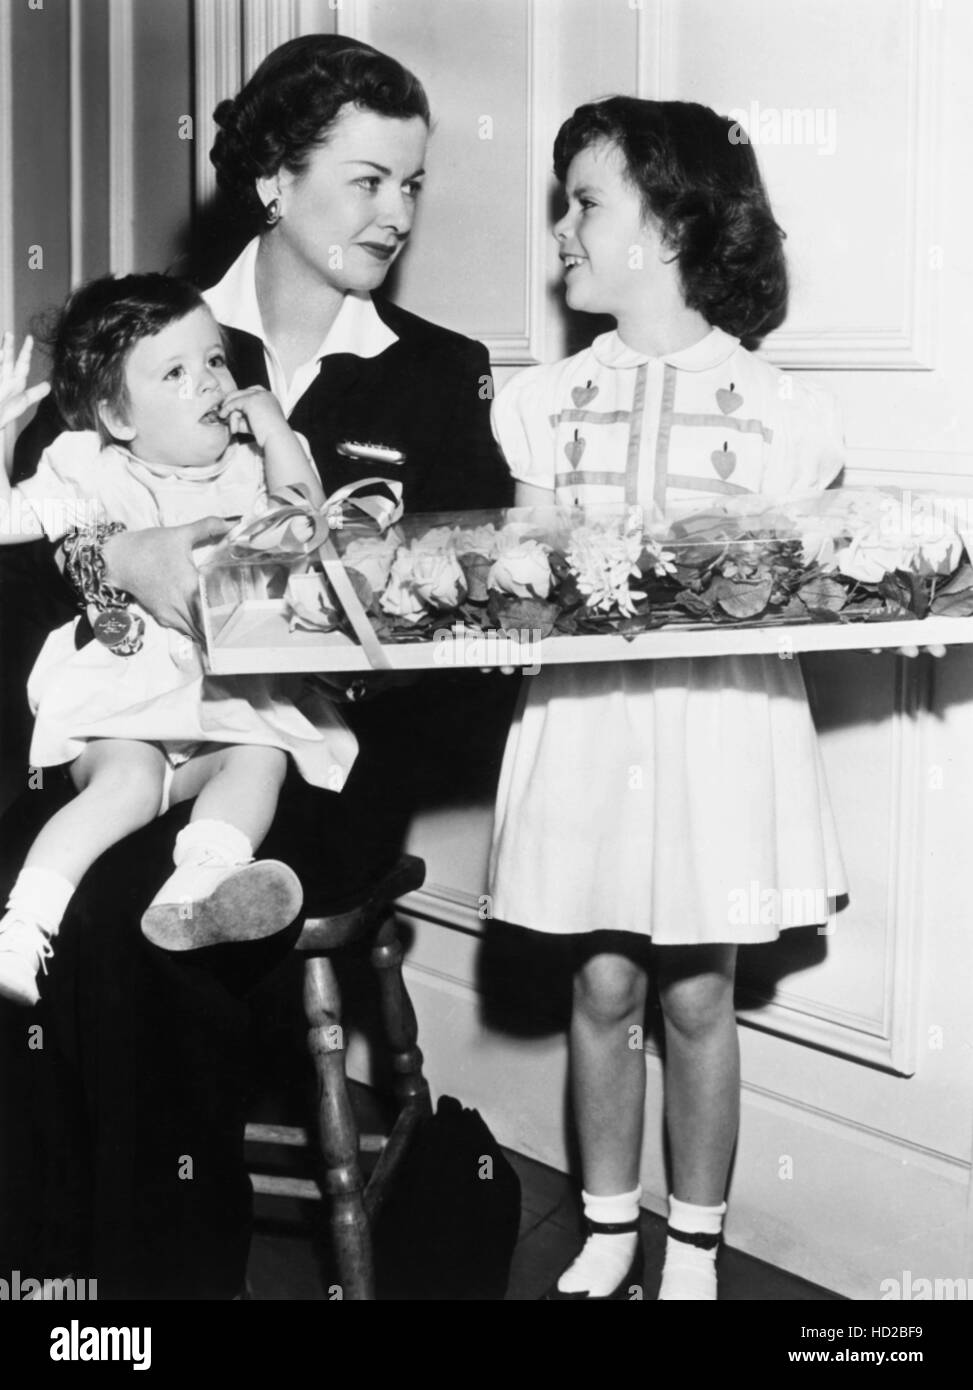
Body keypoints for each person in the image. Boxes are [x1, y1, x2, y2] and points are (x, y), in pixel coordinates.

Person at [0, 35, 512, 1298]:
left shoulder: (437, 376)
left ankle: (147, 1297)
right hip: (119, 722)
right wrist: (117, 554)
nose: (396, 213)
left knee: (134, 935)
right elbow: (13, 563)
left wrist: (350, 616)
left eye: (412, 184)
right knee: (38, 895)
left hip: (305, 762)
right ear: (273, 184)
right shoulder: (133, 335)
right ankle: (47, 1271)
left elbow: (477, 639)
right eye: (365, 180)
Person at [487, 96, 847, 1301]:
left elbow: (803, 578)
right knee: (601, 979)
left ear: (676, 224)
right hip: (592, 722)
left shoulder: (782, 412)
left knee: (699, 987)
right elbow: (528, 566)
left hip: (711, 721)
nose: (563, 234)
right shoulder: (540, 403)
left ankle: (692, 1242)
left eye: (586, 204)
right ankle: (602, 1223)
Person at [0, 275, 361, 1007]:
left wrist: (277, 432)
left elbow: (304, 523)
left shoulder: (252, 470)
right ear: (116, 415)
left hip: (220, 698)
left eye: (217, 361)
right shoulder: (92, 469)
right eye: (175, 372)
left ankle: (200, 886)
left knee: (261, 756)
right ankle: (25, 925)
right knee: (126, 783)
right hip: (125, 692)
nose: (208, 384)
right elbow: (9, 524)